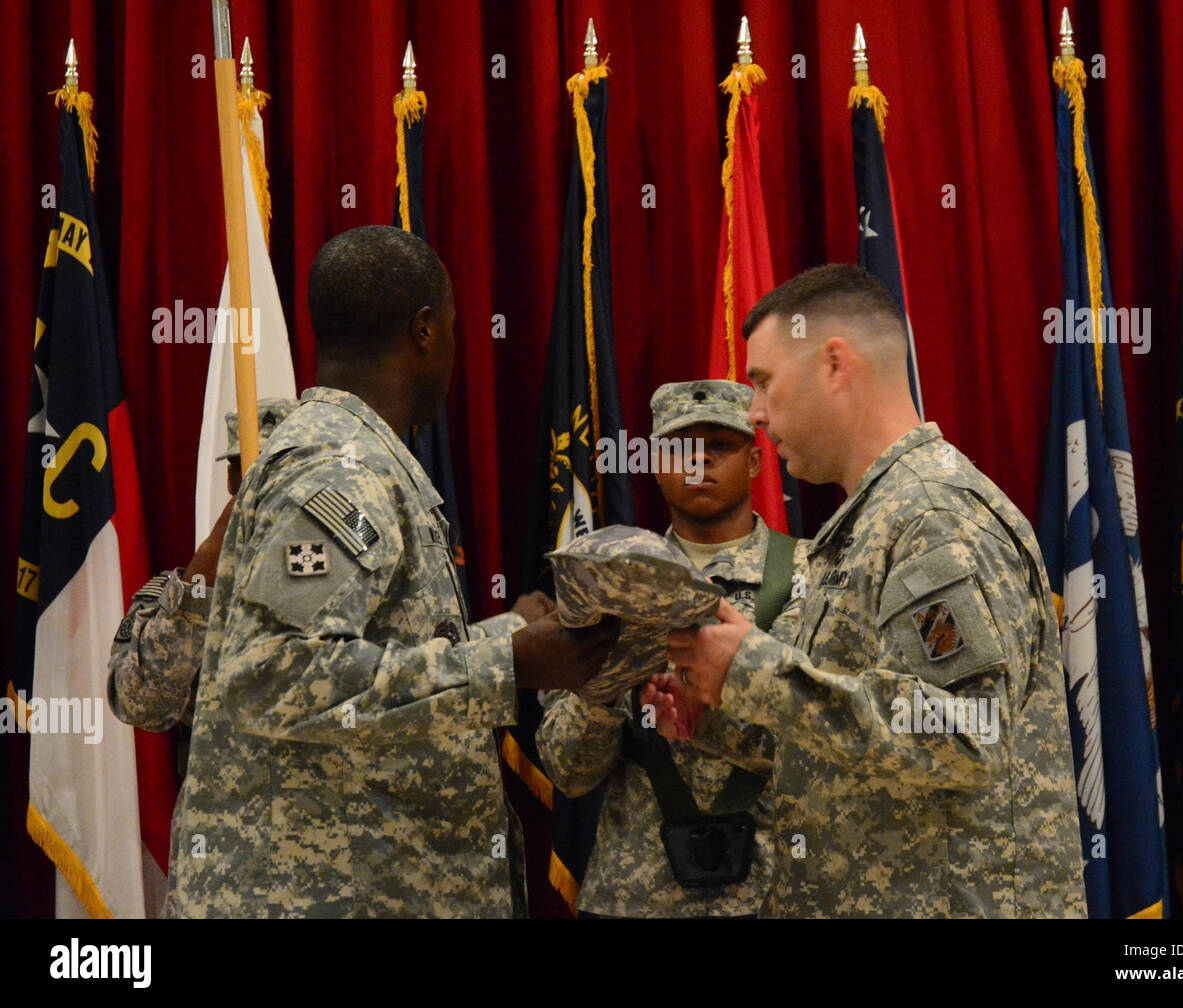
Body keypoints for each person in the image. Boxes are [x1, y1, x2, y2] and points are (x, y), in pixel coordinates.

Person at [165, 225, 617, 918]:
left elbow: (363, 652)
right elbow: (274, 674)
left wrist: (503, 634)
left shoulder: (358, 457)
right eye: (457, 328)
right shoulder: (340, 468)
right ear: (425, 331)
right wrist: (506, 664)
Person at [649, 265, 1086, 917]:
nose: (757, 414)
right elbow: (838, 745)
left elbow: (968, 732)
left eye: (763, 382)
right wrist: (710, 713)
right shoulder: (870, 523)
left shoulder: (932, 517)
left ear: (834, 364)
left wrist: (753, 669)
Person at [537, 380, 806, 917]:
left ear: (755, 463)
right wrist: (606, 688)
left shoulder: (812, 578)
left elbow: (834, 743)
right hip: (636, 896)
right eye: (680, 447)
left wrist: (705, 713)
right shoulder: (603, 581)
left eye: (720, 446)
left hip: (780, 895)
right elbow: (567, 772)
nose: (698, 460)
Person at [107, 399, 297, 738]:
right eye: (253, 472)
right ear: (231, 479)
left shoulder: (347, 573)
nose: (268, 489)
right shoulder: (186, 592)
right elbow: (139, 704)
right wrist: (209, 567)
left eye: (285, 472)